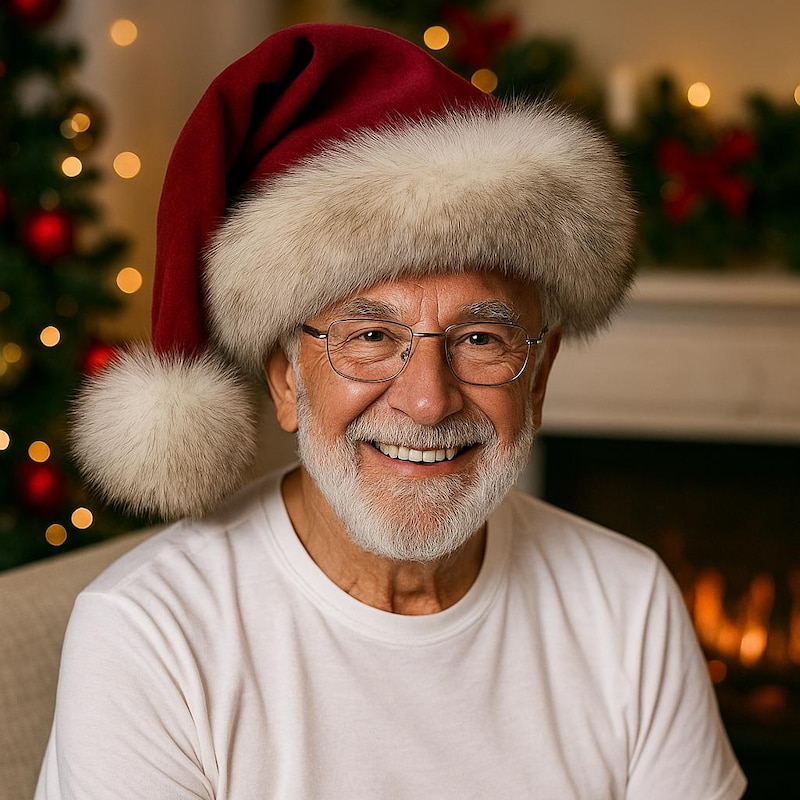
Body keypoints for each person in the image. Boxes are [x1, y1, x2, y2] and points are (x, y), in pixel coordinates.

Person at [36, 23, 745, 800]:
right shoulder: (150, 633)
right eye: (371, 336)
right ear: (285, 378)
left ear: (538, 379)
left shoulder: (629, 605)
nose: (429, 400)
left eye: (481, 338)